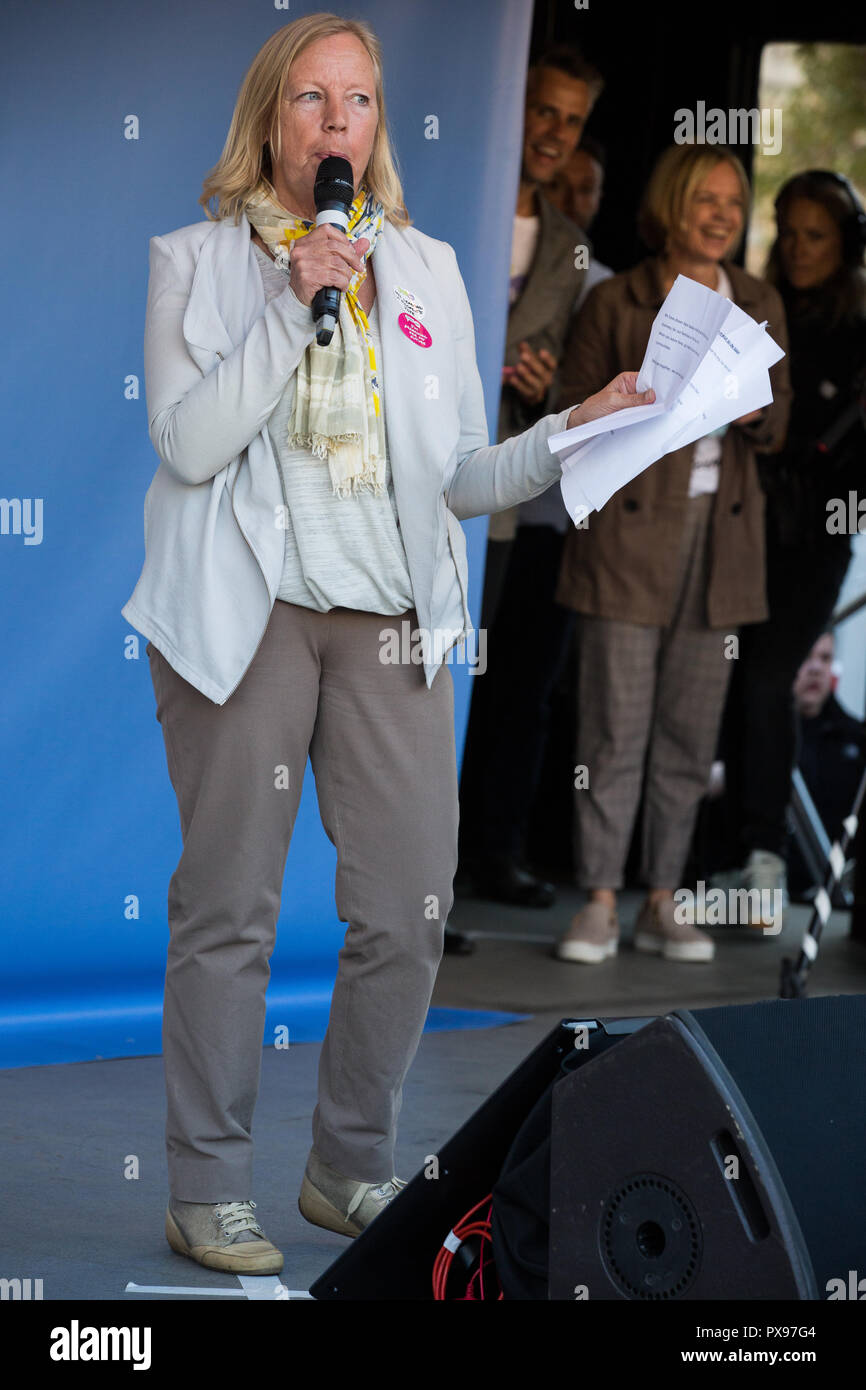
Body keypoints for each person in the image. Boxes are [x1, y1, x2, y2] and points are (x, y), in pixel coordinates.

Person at [120, 11, 654, 1275]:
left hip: (393, 623)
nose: (335, 122)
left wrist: (577, 422)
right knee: (229, 910)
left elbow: (466, 475)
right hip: (244, 624)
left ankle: (348, 1166)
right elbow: (189, 443)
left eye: (356, 101)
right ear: (271, 122)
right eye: (309, 100)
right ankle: (205, 1187)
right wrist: (292, 293)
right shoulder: (192, 262)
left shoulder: (423, 269)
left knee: (410, 910)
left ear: (377, 126)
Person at [552, 143, 791, 964]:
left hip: (722, 545)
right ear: (671, 206)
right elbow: (567, 413)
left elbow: (780, 418)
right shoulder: (619, 298)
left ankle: (662, 899)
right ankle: (598, 901)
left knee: (690, 735)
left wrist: (743, 403)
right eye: (706, 199)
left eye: (734, 201)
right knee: (613, 732)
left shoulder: (759, 300)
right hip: (626, 538)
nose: (723, 214)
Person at [457, 45, 603, 910]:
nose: (553, 132)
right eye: (543, 110)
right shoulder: (438, 208)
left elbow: (566, 393)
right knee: (413, 687)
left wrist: (544, 389)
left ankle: (473, 864)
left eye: (572, 120)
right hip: (409, 484)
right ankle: (409, 887)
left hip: (502, 502)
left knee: (487, 688)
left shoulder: (573, 247)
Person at [710, 170, 866, 920]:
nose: (799, 250)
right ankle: (739, 858)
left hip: (820, 537)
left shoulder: (861, 325)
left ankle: (764, 859)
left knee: (770, 677)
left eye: (818, 236)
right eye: (790, 232)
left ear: (848, 245)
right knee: (730, 679)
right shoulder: (754, 306)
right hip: (745, 523)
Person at [786, 631, 866, 897]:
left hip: (834, 896)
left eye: (825, 658)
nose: (816, 668)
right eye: (806, 656)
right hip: (768, 897)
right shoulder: (752, 740)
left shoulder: (856, 738)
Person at [544, 136, 614, 312]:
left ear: (599, 198)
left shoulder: (604, 285)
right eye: (556, 185)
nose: (572, 202)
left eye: (586, 189)